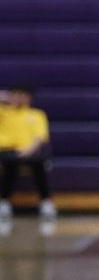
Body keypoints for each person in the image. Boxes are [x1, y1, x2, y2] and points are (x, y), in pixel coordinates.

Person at [0, 87, 54, 222]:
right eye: (15, 95)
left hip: (29, 150)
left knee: (38, 164)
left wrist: (27, 151)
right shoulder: (3, 112)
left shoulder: (36, 115)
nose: (18, 98)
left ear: (29, 98)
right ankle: (5, 202)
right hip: (6, 150)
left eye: (22, 95)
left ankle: (45, 201)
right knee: (11, 163)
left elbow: (40, 136)